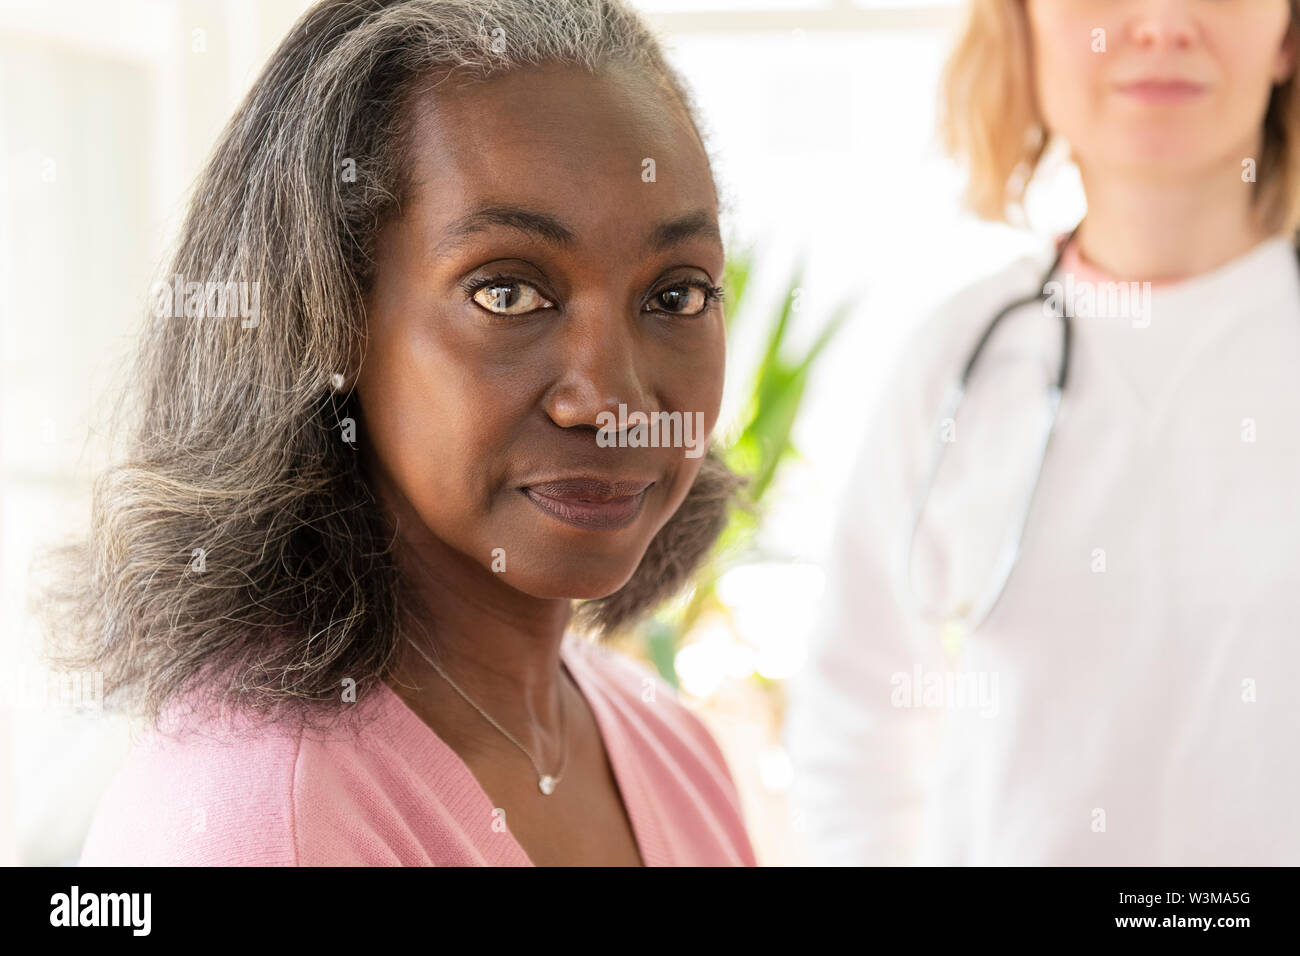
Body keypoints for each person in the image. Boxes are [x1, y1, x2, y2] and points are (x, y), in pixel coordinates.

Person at [53, 0, 756, 867]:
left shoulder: (670, 747)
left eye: (677, 295)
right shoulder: (273, 818)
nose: (611, 401)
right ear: (330, 319)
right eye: (506, 293)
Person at [787, 0, 1300, 865]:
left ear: (1287, 33)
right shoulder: (955, 360)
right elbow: (856, 725)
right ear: (1020, 27)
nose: (1164, 21)